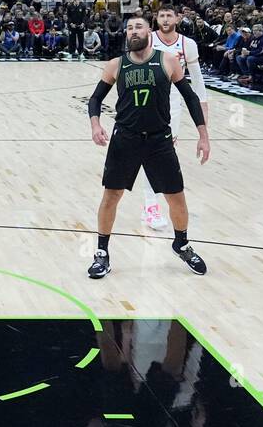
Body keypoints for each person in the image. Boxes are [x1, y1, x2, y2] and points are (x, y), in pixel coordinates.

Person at [86, 15, 211, 280]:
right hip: (125, 139)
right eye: (129, 27)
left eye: (138, 26)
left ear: (148, 32)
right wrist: (95, 125)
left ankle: (182, 244)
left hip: (159, 139)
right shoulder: (116, 65)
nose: (133, 31)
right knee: (111, 196)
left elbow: (190, 97)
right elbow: (95, 99)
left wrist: (203, 134)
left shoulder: (168, 61)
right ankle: (102, 253)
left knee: (176, 196)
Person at [140, 5, 209, 230]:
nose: (166, 19)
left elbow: (197, 82)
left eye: (170, 15)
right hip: (147, 102)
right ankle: (150, 206)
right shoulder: (146, 39)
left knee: (165, 155)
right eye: (162, 15)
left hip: (173, 103)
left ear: (177, 18)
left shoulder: (187, 44)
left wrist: (203, 122)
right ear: (156, 19)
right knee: (149, 154)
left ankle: (158, 203)